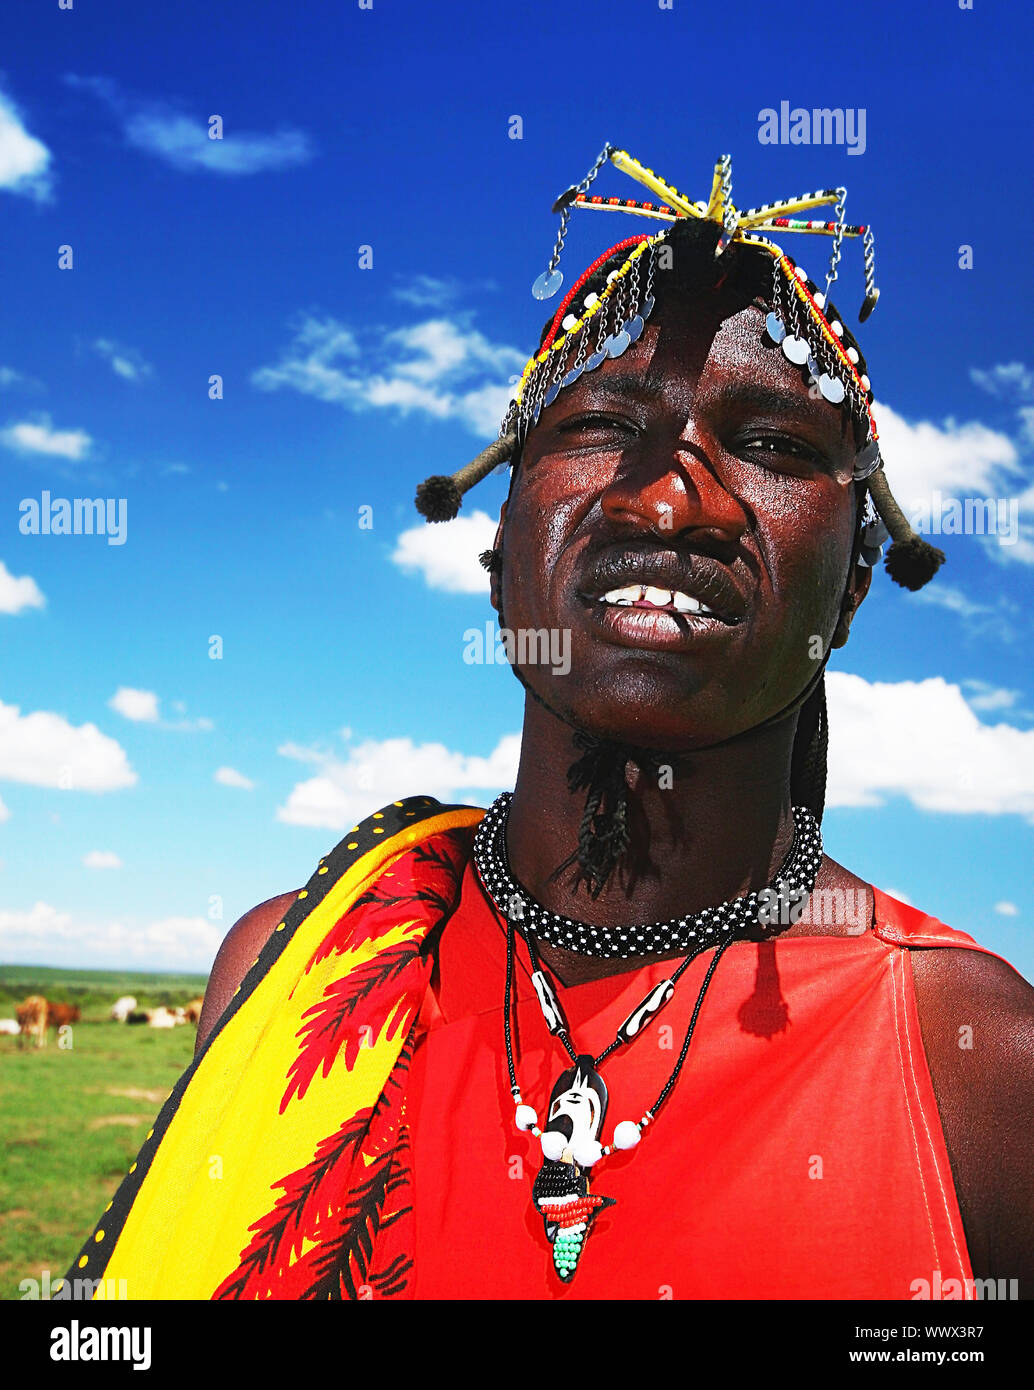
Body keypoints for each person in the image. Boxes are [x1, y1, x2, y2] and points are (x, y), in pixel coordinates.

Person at [67, 148, 1034, 1301]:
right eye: (599, 427)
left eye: (772, 445)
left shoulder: (972, 1066)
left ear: (855, 584)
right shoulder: (300, 965)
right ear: (496, 556)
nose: (666, 499)